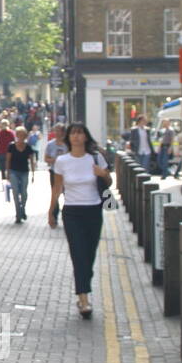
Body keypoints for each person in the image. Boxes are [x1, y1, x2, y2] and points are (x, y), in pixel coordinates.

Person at [48, 122, 111, 319]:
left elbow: (108, 182)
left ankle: (84, 287)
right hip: (72, 212)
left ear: (86, 137)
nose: (76, 136)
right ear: (68, 137)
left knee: (89, 255)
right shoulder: (62, 161)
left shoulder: (96, 157)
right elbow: (57, 188)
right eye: (73, 133)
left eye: (80, 133)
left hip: (93, 210)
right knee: (78, 254)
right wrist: (51, 211)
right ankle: (84, 298)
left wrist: (103, 174)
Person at [5, 125, 36, 223]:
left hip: (24, 172)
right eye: (19, 135)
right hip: (13, 172)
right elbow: (8, 160)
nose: (21, 137)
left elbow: (32, 161)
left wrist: (33, 174)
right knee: (15, 192)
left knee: (24, 193)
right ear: (17, 135)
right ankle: (18, 214)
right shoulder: (11, 146)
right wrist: (7, 173)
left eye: (23, 135)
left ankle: (23, 209)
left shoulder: (28, 147)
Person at [0, 122, 16, 202]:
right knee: (9, 169)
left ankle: (4, 184)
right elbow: (14, 143)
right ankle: (9, 183)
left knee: (2, 170)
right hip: (9, 153)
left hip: (1, 153)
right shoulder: (11, 133)